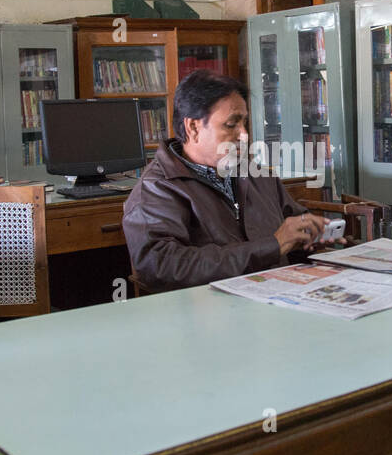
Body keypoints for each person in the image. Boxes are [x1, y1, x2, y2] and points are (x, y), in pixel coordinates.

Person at [124, 71, 333, 293]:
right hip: (211, 314)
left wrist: (311, 236)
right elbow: (162, 267)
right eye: (231, 124)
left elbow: (293, 224)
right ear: (193, 128)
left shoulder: (255, 173)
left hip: (279, 297)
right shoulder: (155, 189)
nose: (244, 134)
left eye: (244, 123)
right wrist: (272, 246)